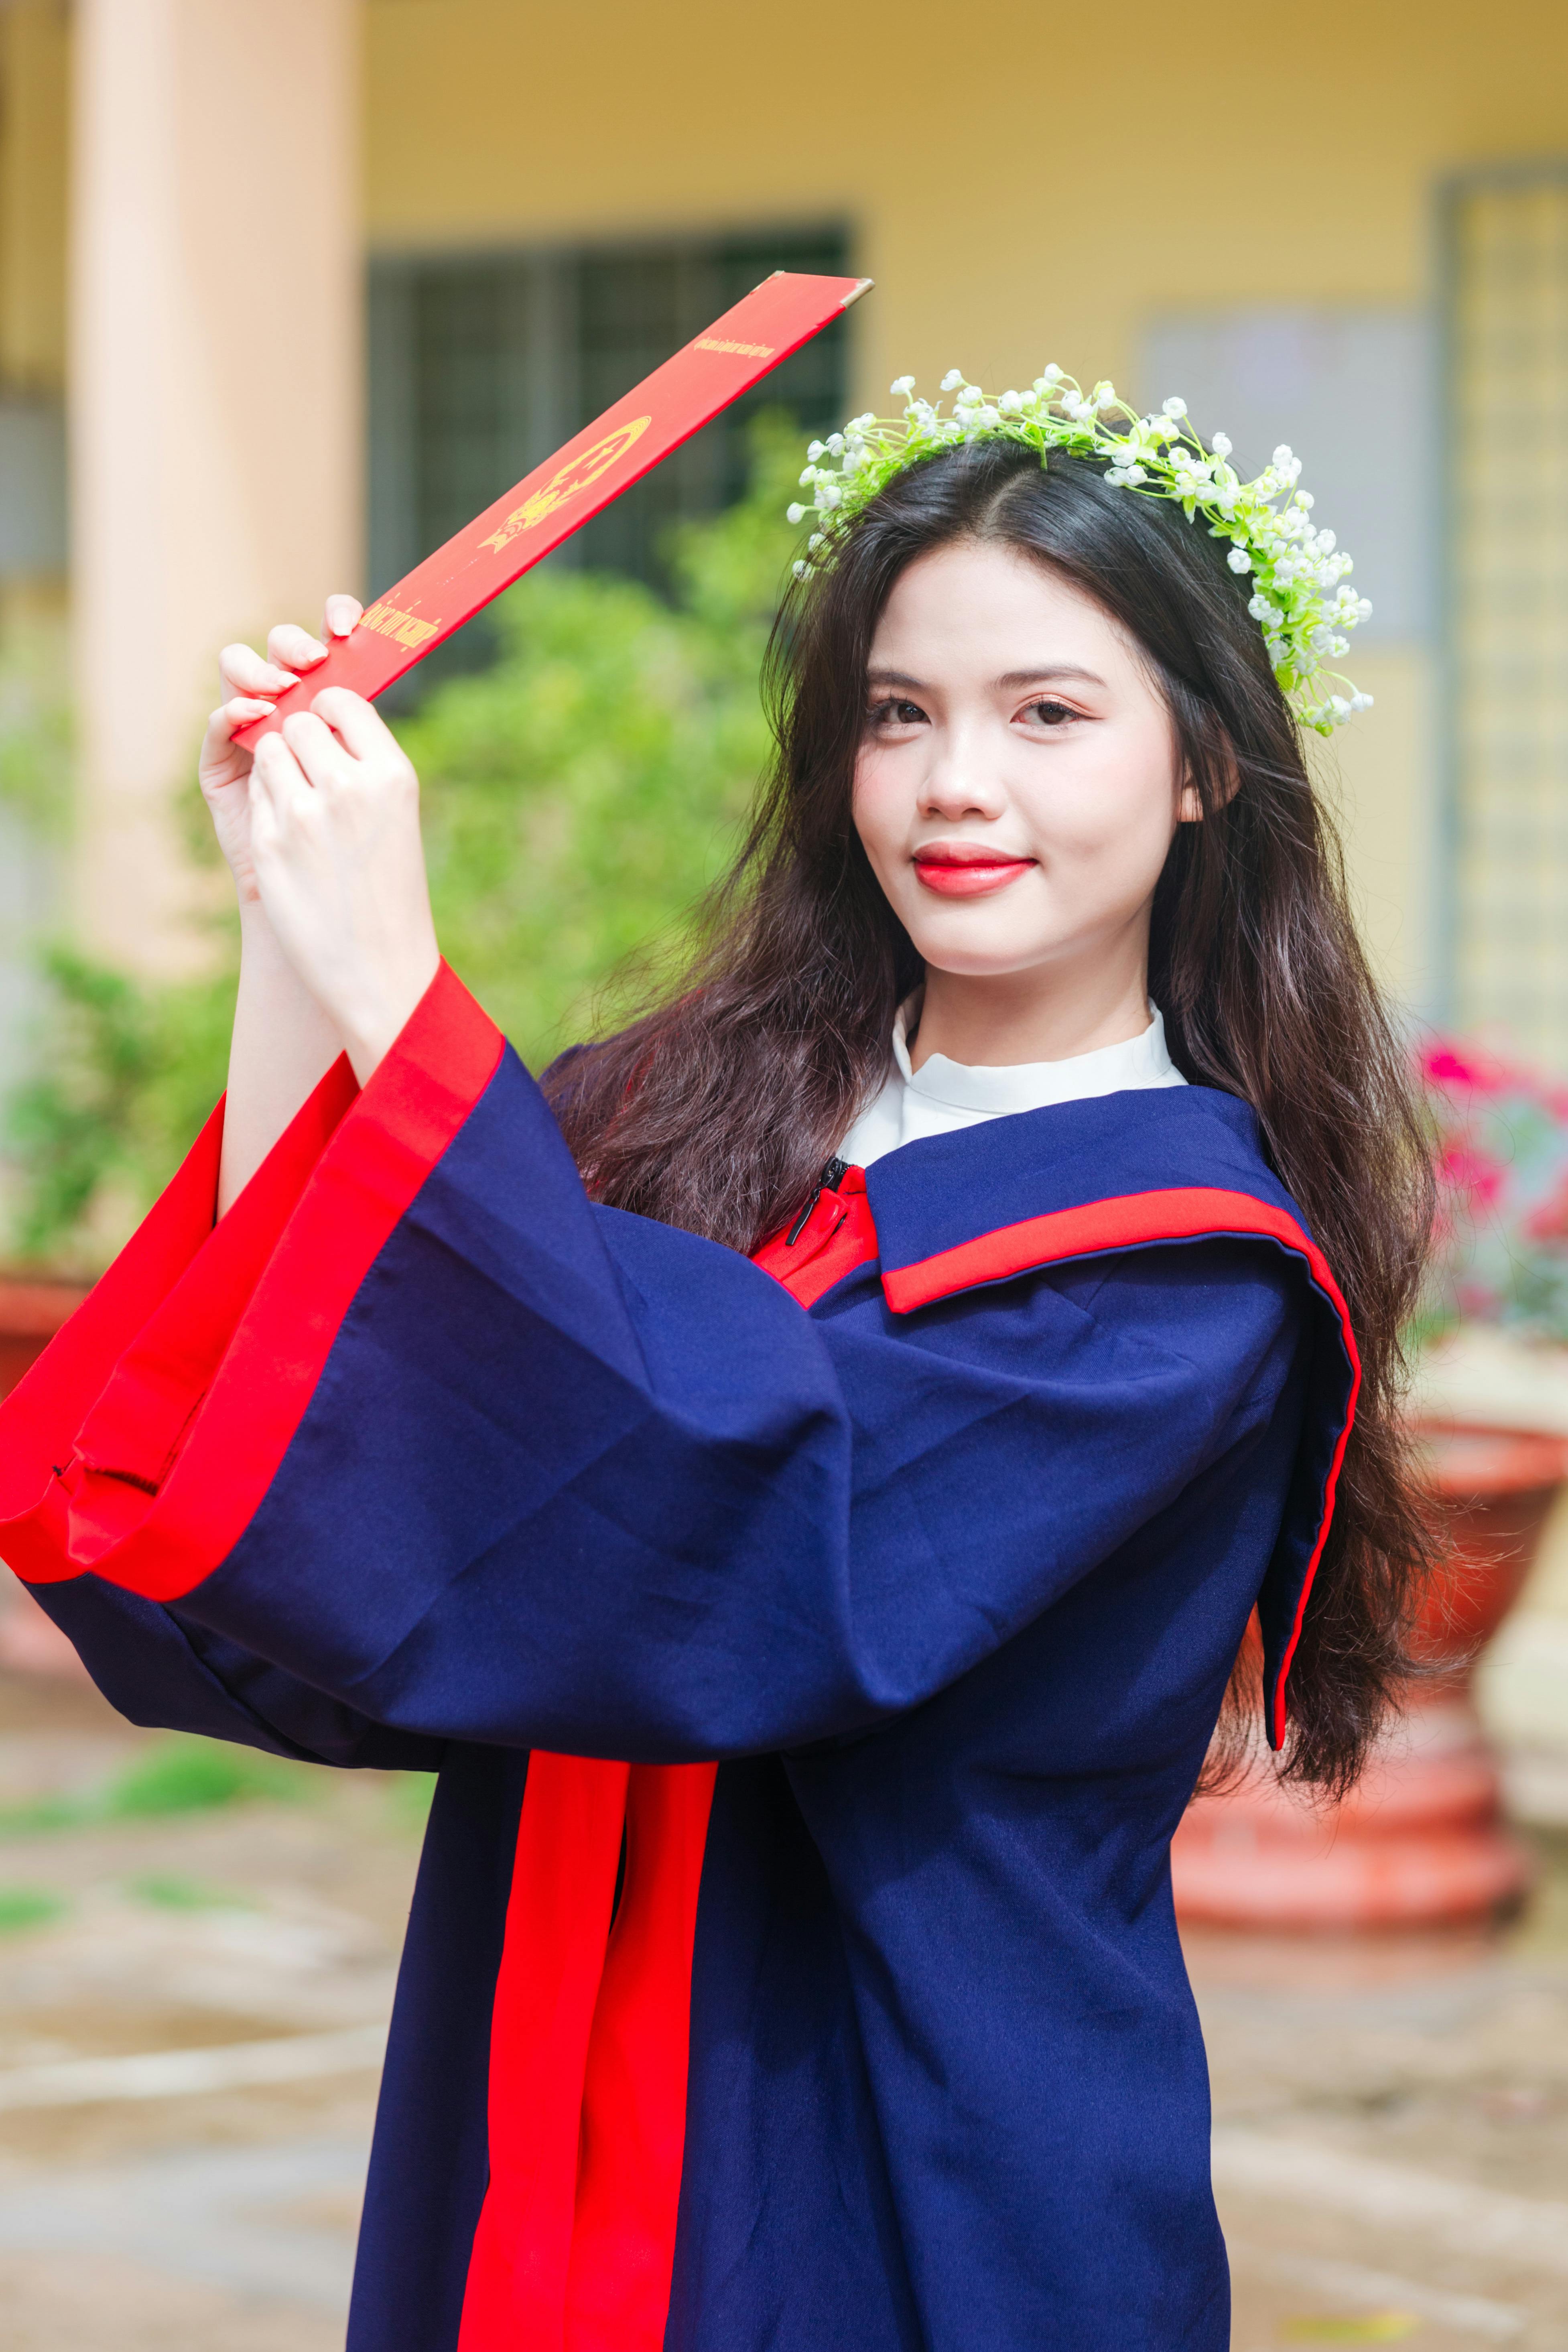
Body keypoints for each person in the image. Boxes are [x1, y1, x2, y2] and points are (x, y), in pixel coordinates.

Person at [0, 372, 1433, 2352]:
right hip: (539, 2076)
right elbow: (340, 1397)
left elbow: (728, 1547)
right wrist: (290, 933)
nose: (954, 783)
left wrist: (408, 997)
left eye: (1047, 713)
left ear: (1201, 764)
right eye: (896, 712)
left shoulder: (1187, 1272)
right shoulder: (692, 1114)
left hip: (881, 2130)